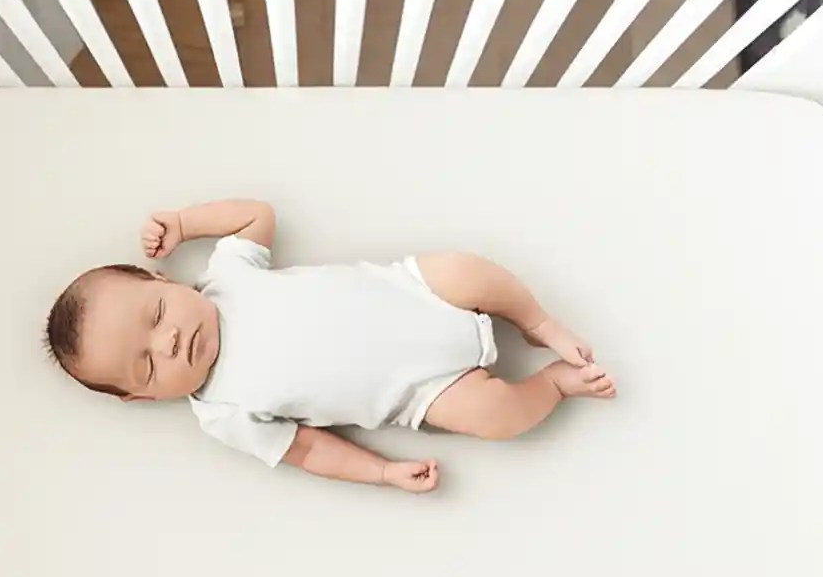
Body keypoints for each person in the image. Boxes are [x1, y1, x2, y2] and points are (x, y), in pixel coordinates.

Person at [45, 200, 615, 493]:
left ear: (165, 282)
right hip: (425, 392)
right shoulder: (222, 413)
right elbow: (309, 451)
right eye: (147, 365)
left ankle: (538, 322)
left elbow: (256, 214)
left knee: (466, 269)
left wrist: (184, 221)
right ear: (144, 399)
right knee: (499, 418)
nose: (168, 342)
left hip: (416, 292)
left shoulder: (227, 277)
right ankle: (554, 385)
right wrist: (383, 474)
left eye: (158, 314)